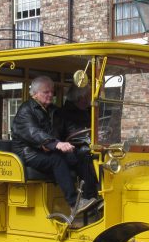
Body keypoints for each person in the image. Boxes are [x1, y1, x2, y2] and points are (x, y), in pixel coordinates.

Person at [11, 75, 98, 216]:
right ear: (35, 93)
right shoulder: (26, 111)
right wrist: (56, 144)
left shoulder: (52, 110)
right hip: (28, 152)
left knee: (82, 156)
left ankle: (91, 198)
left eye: (52, 92)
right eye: (46, 92)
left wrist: (83, 137)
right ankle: (73, 204)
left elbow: (67, 126)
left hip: (46, 149)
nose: (51, 95)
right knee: (57, 160)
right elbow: (34, 133)